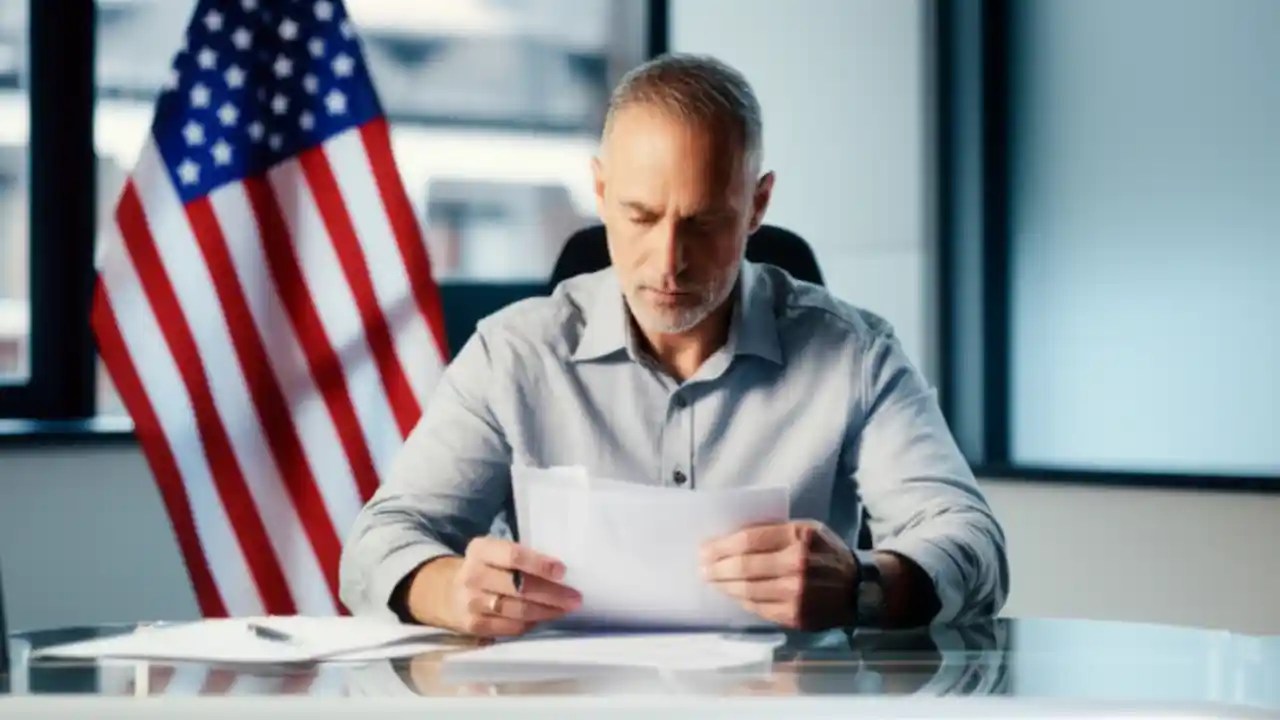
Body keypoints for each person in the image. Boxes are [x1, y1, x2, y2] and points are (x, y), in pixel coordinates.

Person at [339, 53, 1008, 636]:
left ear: (757, 205)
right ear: (601, 191)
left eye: (705, 222)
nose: (668, 262)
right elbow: (376, 546)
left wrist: (863, 584)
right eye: (641, 216)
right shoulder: (512, 354)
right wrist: (448, 589)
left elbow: (973, 543)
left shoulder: (855, 353)